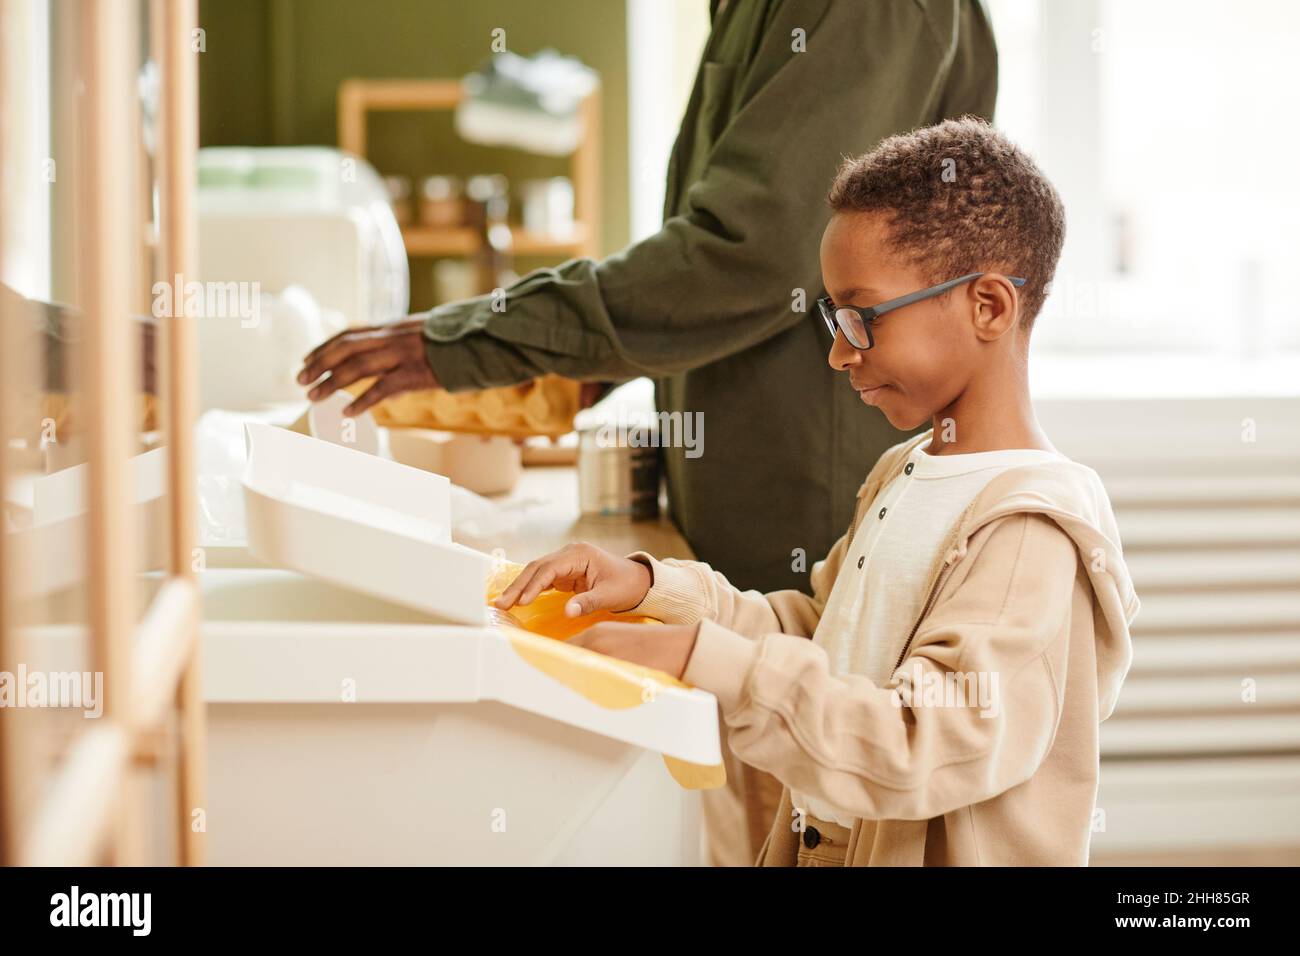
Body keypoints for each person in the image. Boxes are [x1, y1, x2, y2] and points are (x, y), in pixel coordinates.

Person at [299, 0, 999, 865]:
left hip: (800, 496)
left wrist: (483, 336)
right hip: (750, 529)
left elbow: (744, 254)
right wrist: (652, 585)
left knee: (823, 806)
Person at [493, 118, 1140, 866]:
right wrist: (650, 589)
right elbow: (819, 632)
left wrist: (701, 658)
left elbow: (920, 741)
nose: (838, 351)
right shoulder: (904, 471)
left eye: (861, 318)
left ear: (988, 307)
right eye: (834, 317)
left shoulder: (1031, 532)